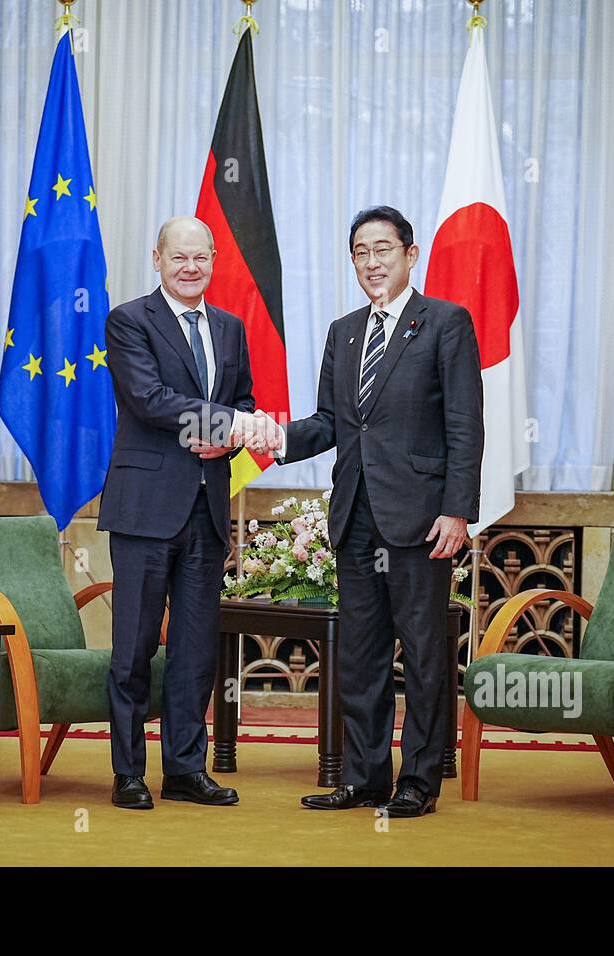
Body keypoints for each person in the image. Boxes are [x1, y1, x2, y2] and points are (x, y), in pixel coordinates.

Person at [232, 205, 485, 817]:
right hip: (355, 516)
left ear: (410, 254)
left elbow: (465, 424)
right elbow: (331, 423)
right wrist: (278, 439)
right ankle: (366, 778)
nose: (372, 263)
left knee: (424, 655)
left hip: (422, 518)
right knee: (361, 656)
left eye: (383, 250)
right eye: (361, 254)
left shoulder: (446, 323)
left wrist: (457, 510)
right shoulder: (344, 332)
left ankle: (419, 784)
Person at [97, 216, 265, 810]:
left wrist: (231, 437)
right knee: (134, 649)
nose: (190, 267)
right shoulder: (129, 321)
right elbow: (147, 399)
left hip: (206, 510)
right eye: (179, 258)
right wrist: (221, 425)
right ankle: (128, 774)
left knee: (195, 651)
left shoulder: (230, 327)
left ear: (214, 259)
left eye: (201, 257)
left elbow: (242, 400)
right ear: (157, 258)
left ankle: (186, 771)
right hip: (145, 508)